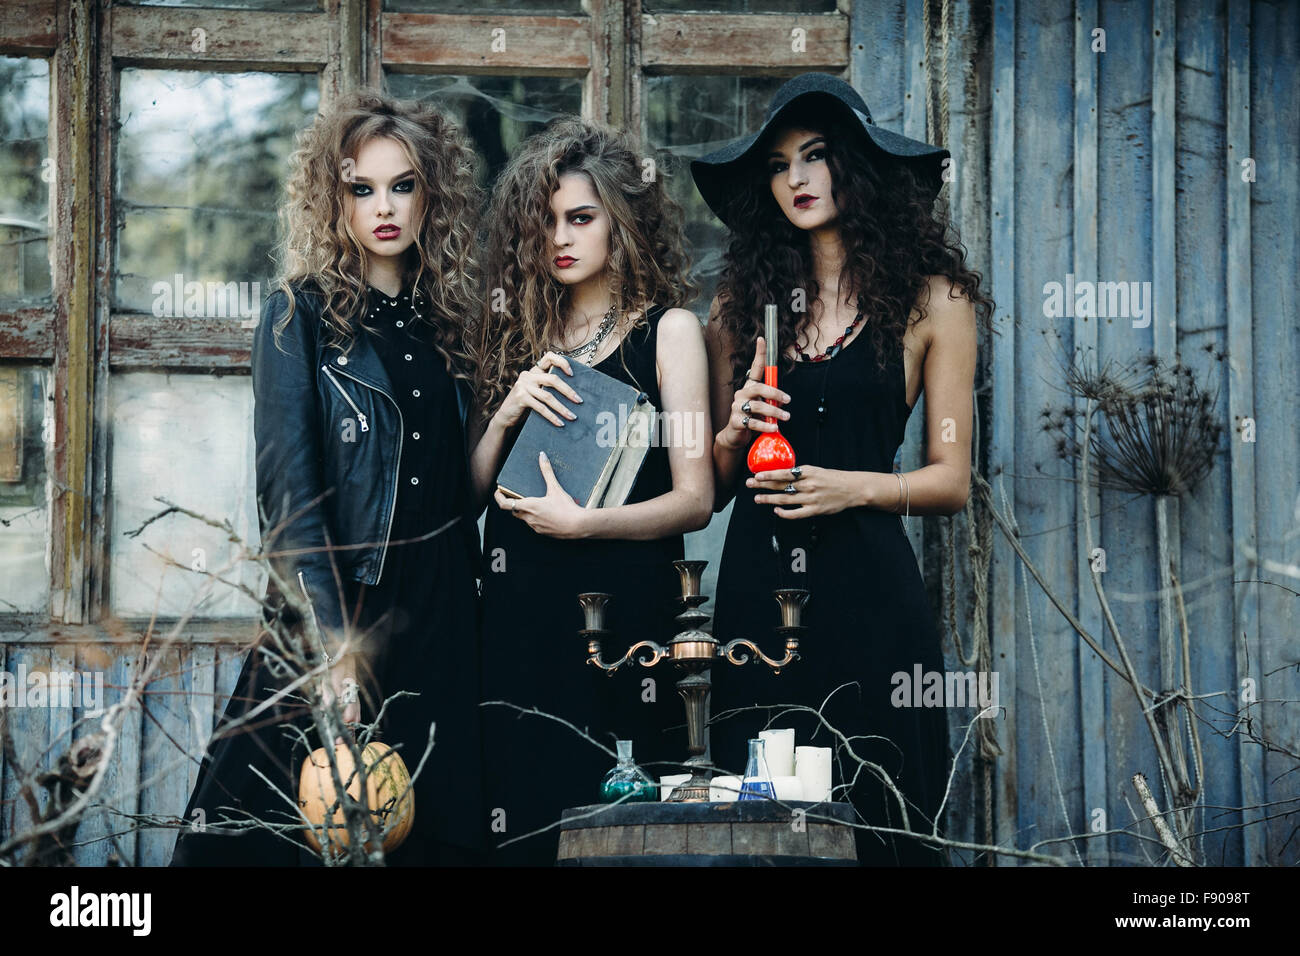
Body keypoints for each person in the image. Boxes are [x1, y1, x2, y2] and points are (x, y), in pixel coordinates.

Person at [171, 91, 486, 866]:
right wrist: (331, 650)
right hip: (338, 614)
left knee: (432, 840)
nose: (384, 207)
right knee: (280, 842)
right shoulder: (297, 317)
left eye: (404, 185)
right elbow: (290, 502)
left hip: (442, 626)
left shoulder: (454, 325)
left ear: (431, 198)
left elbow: (459, 494)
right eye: (361, 188)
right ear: (332, 197)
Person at [692, 72, 993, 865]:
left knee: (879, 815)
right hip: (758, 593)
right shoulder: (740, 304)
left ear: (855, 165)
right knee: (761, 818)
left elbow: (950, 480)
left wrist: (849, 489)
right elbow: (717, 488)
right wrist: (731, 428)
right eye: (779, 164)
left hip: (871, 597)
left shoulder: (936, 301)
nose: (795, 178)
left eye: (816, 156)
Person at [467, 117, 712, 866]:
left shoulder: (668, 331)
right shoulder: (512, 332)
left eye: (581, 218)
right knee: (523, 816)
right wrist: (508, 408)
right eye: (544, 223)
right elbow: (467, 496)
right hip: (516, 613)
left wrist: (584, 525)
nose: (561, 239)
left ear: (623, 221)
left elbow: (696, 497)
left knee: (620, 828)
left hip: (624, 615)